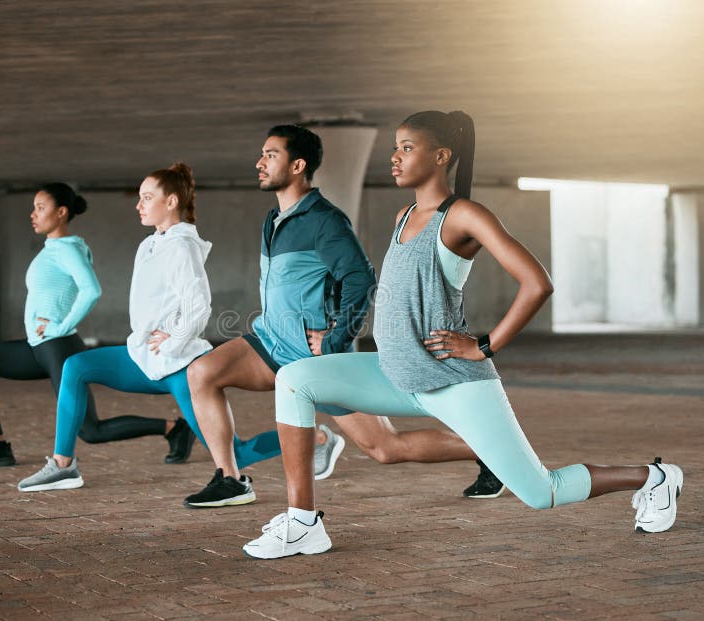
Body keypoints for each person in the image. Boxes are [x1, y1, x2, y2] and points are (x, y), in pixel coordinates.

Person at [242, 111, 684, 559]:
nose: (394, 157)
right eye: (395, 147)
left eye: (407, 148)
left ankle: (655, 478)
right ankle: (303, 523)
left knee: (541, 492)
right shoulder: (405, 214)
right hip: (395, 374)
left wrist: (485, 345)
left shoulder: (463, 215)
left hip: (452, 380)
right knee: (295, 378)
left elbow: (537, 283)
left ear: (441, 155)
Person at [184, 124, 502, 508]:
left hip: (315, 357)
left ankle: (491, 454)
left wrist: (335, 338)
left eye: (271, 155)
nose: (260, 163)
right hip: (270, 342)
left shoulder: (324, 221)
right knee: (202, 372)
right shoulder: (273, 220)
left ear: (298, 165)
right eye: (262, 155)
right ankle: (231, 479)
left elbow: (360, 277)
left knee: (385, 448)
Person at [17, 164, 280, 492]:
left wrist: (173, 341)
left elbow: (198, 305)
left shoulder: (182, 246)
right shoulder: (150, 244)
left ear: (170, 202)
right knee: (76, 366)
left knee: (235, 454)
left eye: (146, 197)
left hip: (179, 366)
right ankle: (62, 465)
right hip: (141, 357)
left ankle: (314, 438)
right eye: (139, 198)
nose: (138, 204)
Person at [0, 183, 193, 469]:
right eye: (34, 208)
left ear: (61, 212)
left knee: (90, 431)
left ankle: (174, 428)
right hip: (38, 348)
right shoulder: (52, 249)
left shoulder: (67, 250)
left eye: (41, 208)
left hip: (59, 348)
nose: (33, 214)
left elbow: (91, 290)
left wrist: (60, 326)